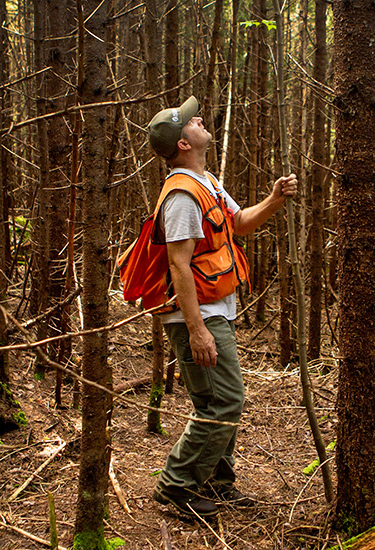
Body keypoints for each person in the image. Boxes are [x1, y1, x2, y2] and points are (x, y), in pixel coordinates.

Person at [130, 96, 297, 519]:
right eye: (190, 121)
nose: (199, 120)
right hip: (196, 314)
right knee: (223, 402)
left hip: (214, 306)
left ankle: (216, 482)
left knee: (221, 399)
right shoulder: (182, 197)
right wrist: (197, 330)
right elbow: (178, 265)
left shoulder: (209, 182)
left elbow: (239, 223)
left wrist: (274, 199)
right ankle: (175, 486)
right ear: (183, 144)